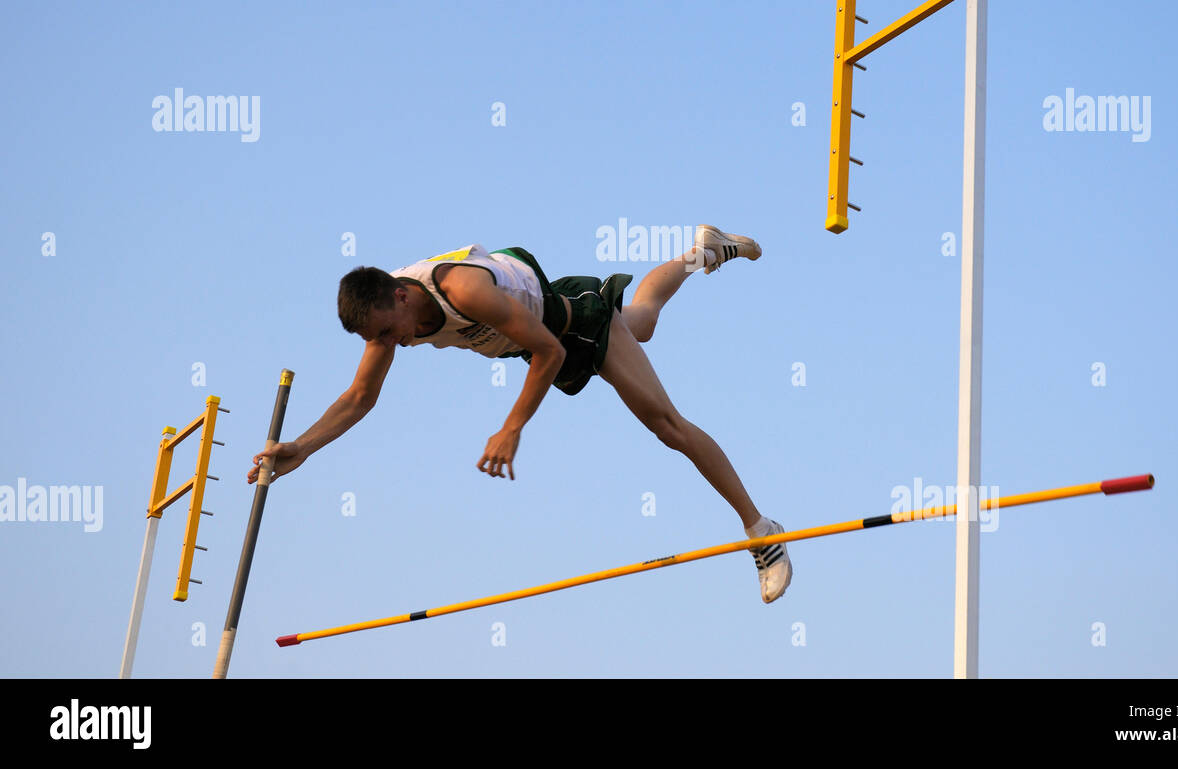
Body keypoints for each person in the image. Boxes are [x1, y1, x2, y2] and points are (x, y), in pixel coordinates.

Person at [247, 224, 792, 603]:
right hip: (543, 321)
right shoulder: (389, 318)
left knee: (665, 425)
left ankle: (761, 530)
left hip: (573, 323)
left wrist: (511, 428)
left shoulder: (462, 290)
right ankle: (706, 252)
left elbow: (550, 353)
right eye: (380, 340)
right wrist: (301, 447)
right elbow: (359, 397)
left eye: (390, 333)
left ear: (400, 296)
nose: (394, 345)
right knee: (642, 320)